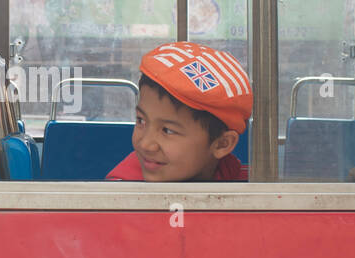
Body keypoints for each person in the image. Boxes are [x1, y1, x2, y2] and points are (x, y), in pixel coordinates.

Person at [107, 41, 251, 182]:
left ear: (222, 144)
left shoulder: (249, 187)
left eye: (167, 130)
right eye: (141, 121)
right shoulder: (120, 194)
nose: (145, 145)